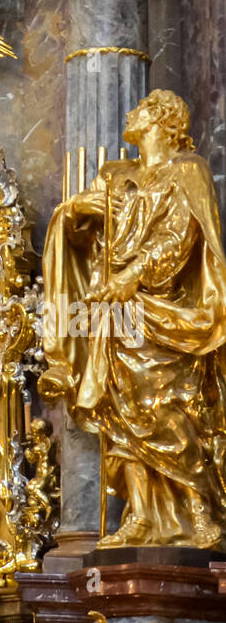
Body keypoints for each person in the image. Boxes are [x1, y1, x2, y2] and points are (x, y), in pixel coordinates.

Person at [40, 91, 226, 547]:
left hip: (165, 308)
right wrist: (77, 211)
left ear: (163, 119)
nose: (130, 113)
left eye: (140, 108)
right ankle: (140, 515)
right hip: (113, 312)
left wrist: (134, 274)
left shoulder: (188, 170)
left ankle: (200, 509)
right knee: (120, 413)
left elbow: (182, 234)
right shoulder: (114, 175)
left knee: (172, 409)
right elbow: (75, 225)